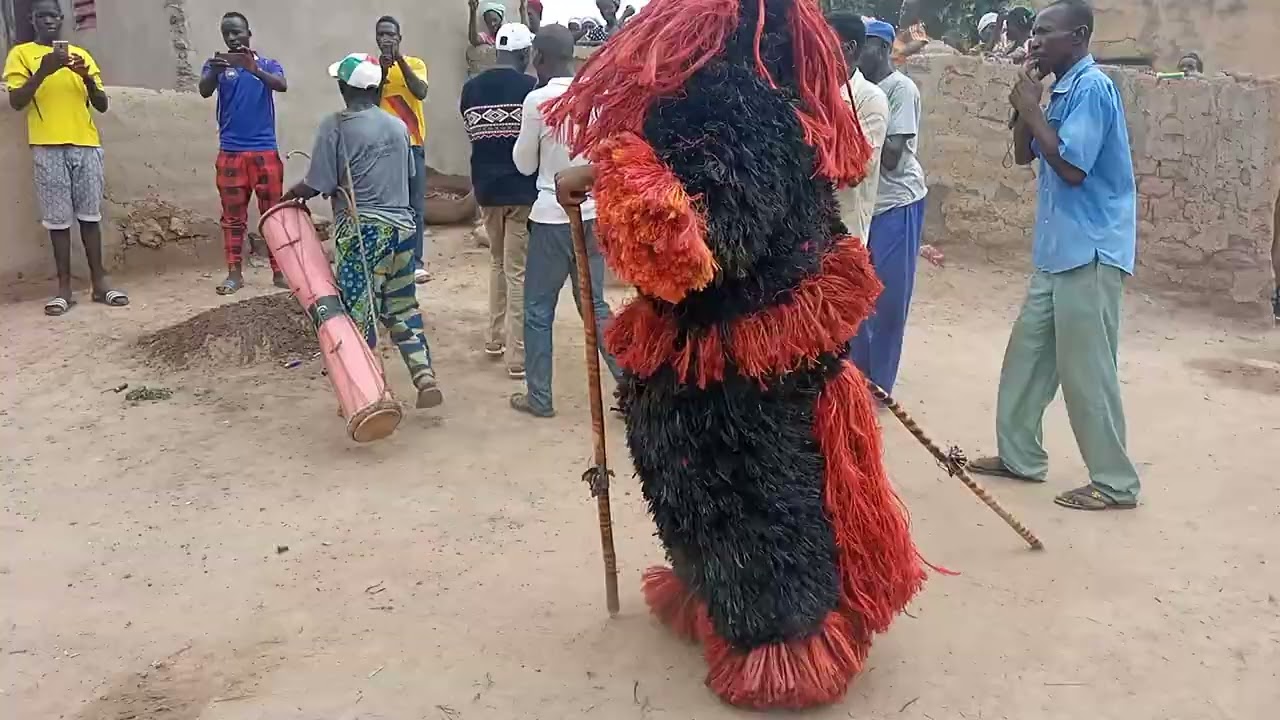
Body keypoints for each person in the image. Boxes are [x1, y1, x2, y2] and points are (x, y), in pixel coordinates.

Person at [544, 0, 924, 706]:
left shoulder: (726, 93)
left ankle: (784, 645)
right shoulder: (758, 85)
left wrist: (618, 173)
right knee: (721, 479)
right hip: (734, 340)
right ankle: (722, 597)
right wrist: (608, 175)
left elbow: (698, 244)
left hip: (742, 348)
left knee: (752, 489)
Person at [968, 0, 1141, 512]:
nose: (1035, 40)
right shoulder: (1058, 88)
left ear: (1079, 37)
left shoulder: (1092, 88)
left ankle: (1115, 484)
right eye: (1034, 33)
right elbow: (1027, 154)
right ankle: (1021, 456)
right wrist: (1027, 105)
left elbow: (1071, 168)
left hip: (1090, 251)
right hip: (1057, 253)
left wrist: (1032, 109)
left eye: (1047, 32)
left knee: (1088, 372)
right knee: (1026, 359)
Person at [281, 53, 444, 409]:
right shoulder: (398, 126)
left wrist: (289, 198)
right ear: (378, 88)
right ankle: (423, 373)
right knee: (401, 305)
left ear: (343, 87)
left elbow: (319, 181)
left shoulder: (335, 125)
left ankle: (368, 393)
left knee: (359, 312)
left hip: (363, 232)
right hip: (402, 230)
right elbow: (410, 178)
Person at [510, 24, 621, 418]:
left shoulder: (537, 100)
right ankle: (633, 392)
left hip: (552, 217)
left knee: (539, 310)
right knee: (595, 305)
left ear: (538, 57)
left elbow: (524, 165)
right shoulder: (598, 97)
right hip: (592, 214)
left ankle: (539, 398)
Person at [4, 0, 127, 316]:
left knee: (90, 217)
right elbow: (17, 101)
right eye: (42, 15)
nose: (49, 20)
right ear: (32, 19)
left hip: (85, 144)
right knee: (58, 221)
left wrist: (86, 77)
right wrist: (44, 71)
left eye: (54, 15)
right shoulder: (21, 54)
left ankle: (100, 284)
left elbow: (101, 104)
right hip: (47, 146)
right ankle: (64, 289)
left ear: (61, 20)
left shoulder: (82, 54)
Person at [849, 18, 927, 396]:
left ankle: (879, 384)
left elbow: (892, 157)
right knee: (860, 292)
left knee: (889, 297)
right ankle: (856, 375)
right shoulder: (860, 90)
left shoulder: (900, 89)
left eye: (861, 46)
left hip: (898, 203)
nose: (854, 54)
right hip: (870, 206)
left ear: (879, 48)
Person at [461, 23, 538, 379]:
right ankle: (518, 356)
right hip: (522, 192)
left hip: (487, 191)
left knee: (496, 263)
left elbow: (474, 135)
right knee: (517, 272)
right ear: (524, 55)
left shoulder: (471, 89)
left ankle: (494, 338)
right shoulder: (531, 88)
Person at [198, 11, 288, 295]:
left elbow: (282, 85)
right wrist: (213, 71)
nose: (232, 38)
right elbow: (203, 90)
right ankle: (234, 274)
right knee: (232, 217)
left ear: (249, 33)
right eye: (227, 33)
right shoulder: (218, 67)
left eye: (237, 32)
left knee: (272, 215)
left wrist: (254, 69)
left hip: (264, 150)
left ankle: (279, 271)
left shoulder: (268, 64)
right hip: (231, 153)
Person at [375, 15, 431, 284]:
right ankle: (389, 261)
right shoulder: (371, 68)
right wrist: (383, 72)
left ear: (399, 38)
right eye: (382, 35)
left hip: (413, 144)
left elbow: (420, 91)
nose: (386, 39)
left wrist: (399, 61)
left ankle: (416, 262)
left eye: (391, 35)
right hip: (383, 147)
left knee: (414, 206)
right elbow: (370, 103)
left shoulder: (416, 64)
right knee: (386, 206)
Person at [829, 12, 889, 244]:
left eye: (826, 43)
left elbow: (856, 171)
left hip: (843, 232)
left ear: (849, 48)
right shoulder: (809, 93)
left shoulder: (870, 99)